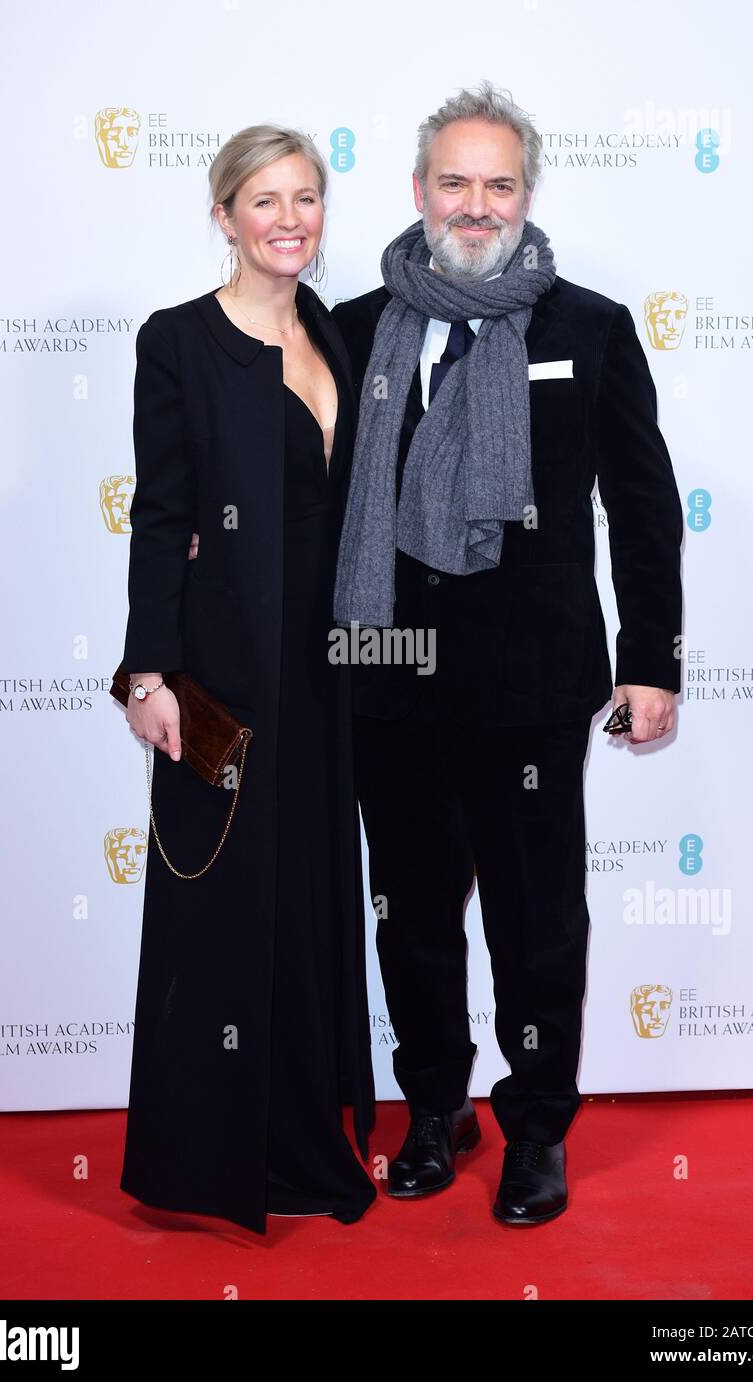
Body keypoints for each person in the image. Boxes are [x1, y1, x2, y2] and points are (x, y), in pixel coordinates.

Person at [330, 81, 684, 1225]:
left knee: (537, 919)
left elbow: (641, 505)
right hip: (386, 671)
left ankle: (535, 1125)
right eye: (454, 183)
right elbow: (309, 506)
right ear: (418, 191)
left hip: (530, 682)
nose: (474, 207)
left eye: (498, 185)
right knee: (413, 908)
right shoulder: (347, 331)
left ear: (526, 194)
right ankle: (433, 1108)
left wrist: (653, 660)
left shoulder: (586, 326)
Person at [118, 124, 376, 1235]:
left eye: (305, 199)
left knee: (314, 898)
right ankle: (215, 1161)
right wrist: (147, 673)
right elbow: (161, 516)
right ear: (222, 214)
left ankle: (308, 1138)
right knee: (222, 912)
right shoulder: (179, 342)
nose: (288, 220)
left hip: (332, 679)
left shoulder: (340, 335)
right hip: (226, 679)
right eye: (263, 200)